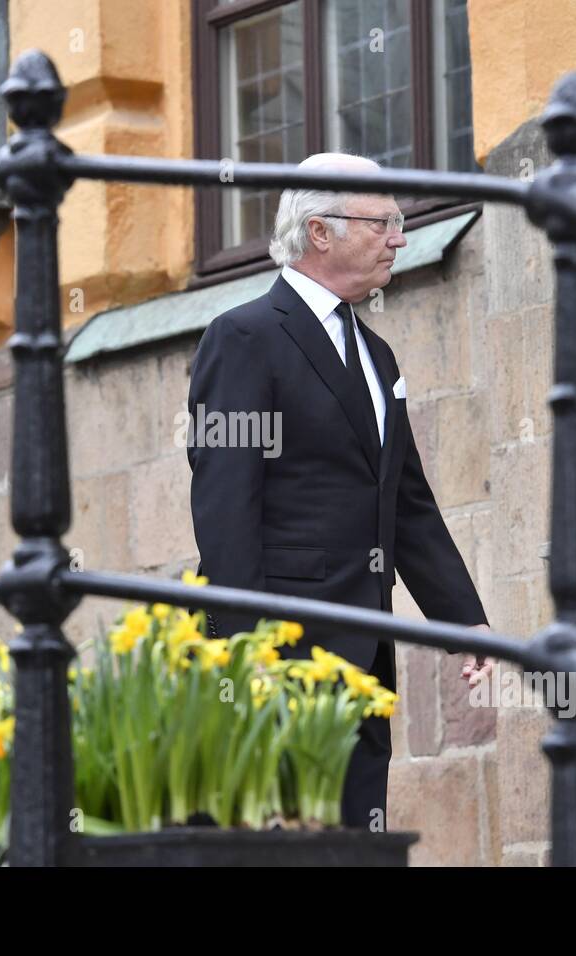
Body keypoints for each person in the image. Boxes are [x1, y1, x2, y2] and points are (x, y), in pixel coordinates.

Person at [186, 152, 495, 831]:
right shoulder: (242, 338)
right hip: (279, 658)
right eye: (382, 222)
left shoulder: (378, 356)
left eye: (399, 222)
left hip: (361, 658)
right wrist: (244, 654)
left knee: (356, 844)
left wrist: (466, 622)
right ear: (320, 232)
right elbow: (224, 507)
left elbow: (406, 506)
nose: (399, 237)